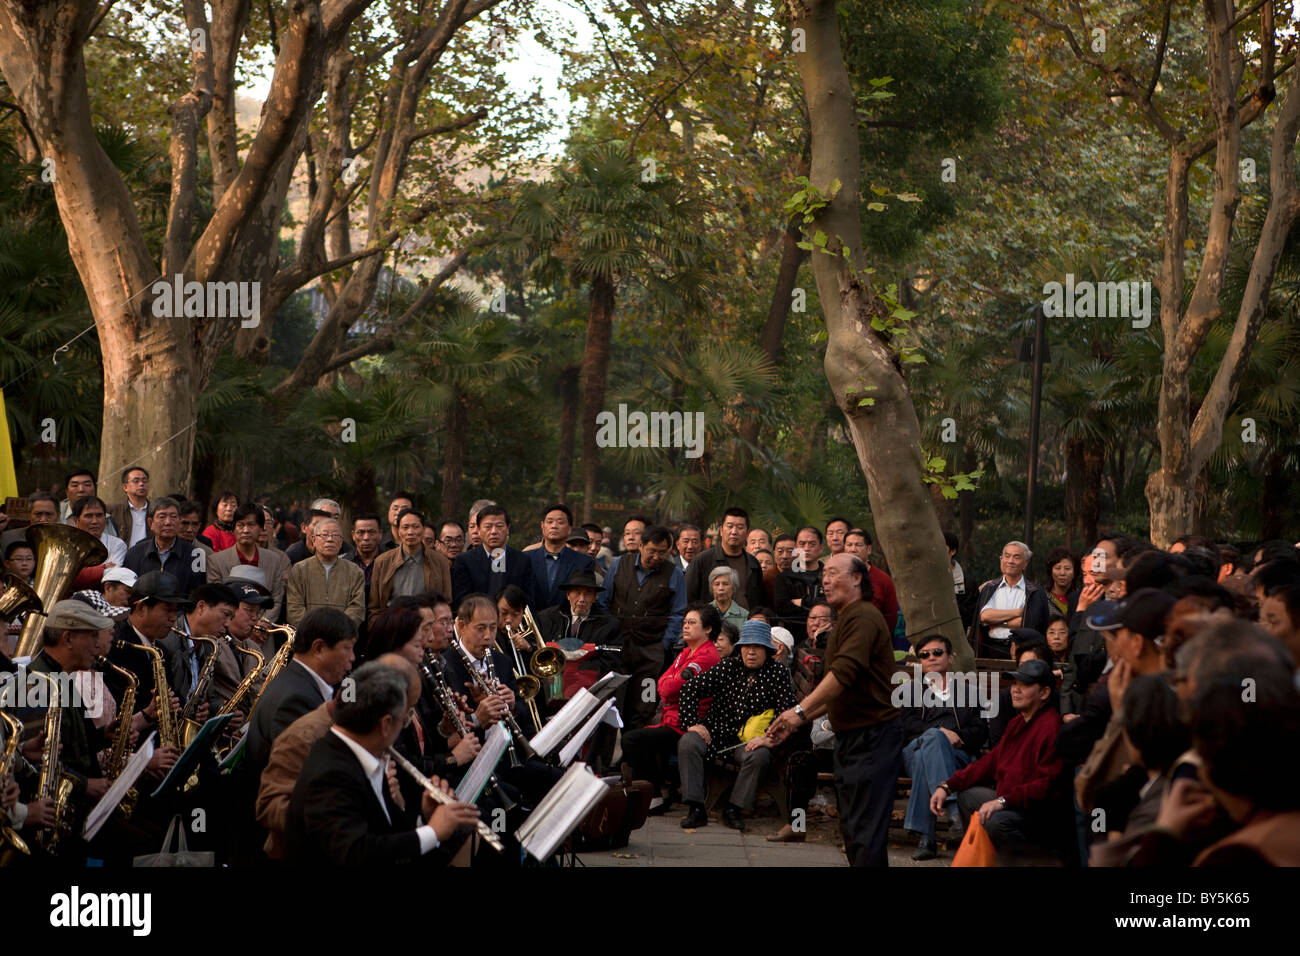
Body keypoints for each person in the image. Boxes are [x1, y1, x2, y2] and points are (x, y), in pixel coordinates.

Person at [767, 554, 901, 866]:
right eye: (823, 575)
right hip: (850, 740)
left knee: (866, 832)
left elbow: (843, 674)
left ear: (857, 578)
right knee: (854, 830)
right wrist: (797, 720)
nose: (825, 581)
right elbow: (836, 693)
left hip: (873, 739)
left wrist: (798, 711)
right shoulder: (845, 621)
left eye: (833, 573)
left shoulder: (864, 617)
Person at [284, 659, 479, 866]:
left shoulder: (364, 753)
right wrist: (433, 832)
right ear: (386, 724)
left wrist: (424, 816)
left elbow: (384, 824)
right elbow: (356, 851)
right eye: (406, 717)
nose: (404, 727)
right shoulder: (332, 773)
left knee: (464, 833)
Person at [930, 659, 1067, 864]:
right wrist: (948, 785)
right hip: (1011, 801)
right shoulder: (1017, 722)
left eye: (1026, 685)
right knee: (967, 797)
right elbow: (989, 763)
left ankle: (1028, 861)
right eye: (1015, 684)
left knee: (996, 821)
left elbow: (1044, 786)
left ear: (1044, 693)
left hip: (1035, 813)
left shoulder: (1051, 727)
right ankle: (987, 859)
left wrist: (1002, 802)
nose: (1016, 690)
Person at [676, 620, 796, 830]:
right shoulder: (728, 666)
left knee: (758, 755)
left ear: (767, 650)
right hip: (716, 735)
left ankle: (734, 808)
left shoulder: (778, 672)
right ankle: (695, 807)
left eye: (757, 647)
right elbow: (689, 690)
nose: (751, 652)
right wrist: (692, 723)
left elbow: (786, 712)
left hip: (750, 742)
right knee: (688, 742)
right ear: (739, 648)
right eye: (746, 647)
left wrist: (768, 738)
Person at [620, 603, 721, 815]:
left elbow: (670, 687)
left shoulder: (707, 656)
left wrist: (669, 684)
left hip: (687, 726)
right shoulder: (686, 652)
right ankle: (658, 792)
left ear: (708, 629)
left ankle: (655, 796)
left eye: (692, 623)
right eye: (684, 622)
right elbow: (663, 683)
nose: (685, 627)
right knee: (635, 735)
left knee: (632, 740)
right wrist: (669, 684)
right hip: (672, 720)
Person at [900, 634, 988, 860]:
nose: (931, 658)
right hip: (914, 750)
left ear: (950, 658)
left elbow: (980, 730)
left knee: (925, 760)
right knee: (931, 740)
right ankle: (951, 807)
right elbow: (905, 727)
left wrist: (957, 737)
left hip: (957, 754)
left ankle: (926, 838)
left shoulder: (969, 692)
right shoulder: (909, 691)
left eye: (937, 652)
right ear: (920, 661)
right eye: (925, 655)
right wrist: (938, 735)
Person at [603, 525, 686, 731]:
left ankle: (634, 755)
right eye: (652, 551)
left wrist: (664, 643)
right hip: (618, 648)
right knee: (614, 702)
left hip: (651, 653)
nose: (657, 557)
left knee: (645, 703)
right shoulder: (619, 565)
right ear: (640, 546)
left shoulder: (674, 574)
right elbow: (604, 602)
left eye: (662, 552)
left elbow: (678, 613)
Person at [534, 568, 622, 703]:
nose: (582, 599)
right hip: (549, 689)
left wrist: (575, 674)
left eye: (587, 594)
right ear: (568, 594)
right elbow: (536, 650)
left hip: (588, 691)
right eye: (577, 593)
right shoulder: (546, 618)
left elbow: (611, 661)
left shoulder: (609, 624)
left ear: (595, 597)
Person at [207, 503, 291, 623]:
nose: (245, 530)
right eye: (240, 525)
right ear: (233, 528)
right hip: (227, 628)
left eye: (251, 525)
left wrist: (262, 625)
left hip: (263, 633)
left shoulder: (274, 560)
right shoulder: (216, 561)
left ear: (261, 528)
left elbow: (277, 599)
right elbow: (216, 600)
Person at [370, 508, 453, 624]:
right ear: (398, 531)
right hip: (393, 626)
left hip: (428, 627)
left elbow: (446, 601)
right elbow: (375, 607)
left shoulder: (440, 562)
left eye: (415, 527)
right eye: (405, 527)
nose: (410, 532)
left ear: (423, 530)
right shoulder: (382, 562)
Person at [971, 540, 1049, 659]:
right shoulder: (989, 588)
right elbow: (984, 617)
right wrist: (1017, 612)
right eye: (1006, 556)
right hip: (990, 649)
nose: (1010, 561)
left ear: (1025, 563)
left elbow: (1029, 622)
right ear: (1001, 559)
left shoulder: (1035, 592)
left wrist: (996, 622)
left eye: (1016, 557)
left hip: (1021, 652)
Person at [285, 517, 367, 627]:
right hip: (308, 636)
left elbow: (357, 609)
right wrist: (314, 629)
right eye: (324, 535)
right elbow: (294, 609)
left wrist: (338, 629)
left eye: (335, 535)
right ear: (314, 539)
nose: (330, 539)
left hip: (342, 637)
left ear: (341, 541)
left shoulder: (354, 571)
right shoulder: (299, 570)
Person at [450, 506, 534, 611]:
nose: (494, 531)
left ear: (508, 528)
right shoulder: (465, 561)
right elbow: (461, 600)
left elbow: (529, 599)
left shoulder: (522, 560)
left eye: (499, 526)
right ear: (479, 530)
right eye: (488, 527)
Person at [684, 507, 765, 611]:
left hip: (746, 623)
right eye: (730, 526)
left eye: (740, 527)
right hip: (713, 623)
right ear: (721, 530)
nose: (734, 532)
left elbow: (759, 599)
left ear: (747, 533)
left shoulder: (753, 563)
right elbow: (689, 598)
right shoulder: (703, 560)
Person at [122, 497, 206, 595]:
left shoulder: (195, 555)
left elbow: (197, 593)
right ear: (150, 523)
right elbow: (127, 591)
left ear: (179, 522)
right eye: (162, 517)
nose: (168, 522)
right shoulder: (134, 553)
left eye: (173, 517)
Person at [526, 503, 596, 611]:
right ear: (542, 526)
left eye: (560, 522)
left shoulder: (583, 562)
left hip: (566, 622)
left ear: (569, 529)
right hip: (532, 623)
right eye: (550, 522)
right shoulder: (526, 558)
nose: (554, 526)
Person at [774, 526, 826, 643]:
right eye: (802, 544)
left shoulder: (830, 576)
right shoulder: (784, 577)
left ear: (821, 548)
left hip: (826, 636)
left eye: (812, 544)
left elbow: (832, 605)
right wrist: (817, 606)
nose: (806, 549)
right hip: (793, 637)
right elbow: (783, 609)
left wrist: (802, 602)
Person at [843, 528, 900, 635]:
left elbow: (891, 618)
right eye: (849, 545)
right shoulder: (837, 576)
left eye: (858, 545)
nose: (853, 549)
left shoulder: (883, 580)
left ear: (869, 549)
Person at [70, 495, 126, 567]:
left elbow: (111, 573)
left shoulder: (117, 545)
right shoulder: (68, 545)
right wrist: (103, 568)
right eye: (88, 516)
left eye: (99, 515)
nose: (95, 521)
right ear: (76, 520)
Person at [109, 467, 151, 548]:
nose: (141, 484)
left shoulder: (155, 509)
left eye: (144, 480)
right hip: (121, 558)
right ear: (125, 487)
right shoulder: (113, 510)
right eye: (136, 481)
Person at [348, 512, 383, 608]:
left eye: (371, 532)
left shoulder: (391, 561)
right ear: (353, 535)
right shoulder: (344, 562)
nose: (366, 538)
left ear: (380, 534)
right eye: (360, 532)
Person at [1044, 547, 1081, 618]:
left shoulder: (1081, 598)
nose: (1062, 573)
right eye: (1057, 568)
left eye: (1067, 568)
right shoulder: (1042, 597)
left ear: (1074, 572)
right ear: (1051, 571)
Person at [708, 565, 748, 631]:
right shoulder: (703, 613)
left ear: (733, 587)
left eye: (725, 584)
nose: (721, 588)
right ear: (712, 588)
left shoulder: (744, 616)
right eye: (717, 584)